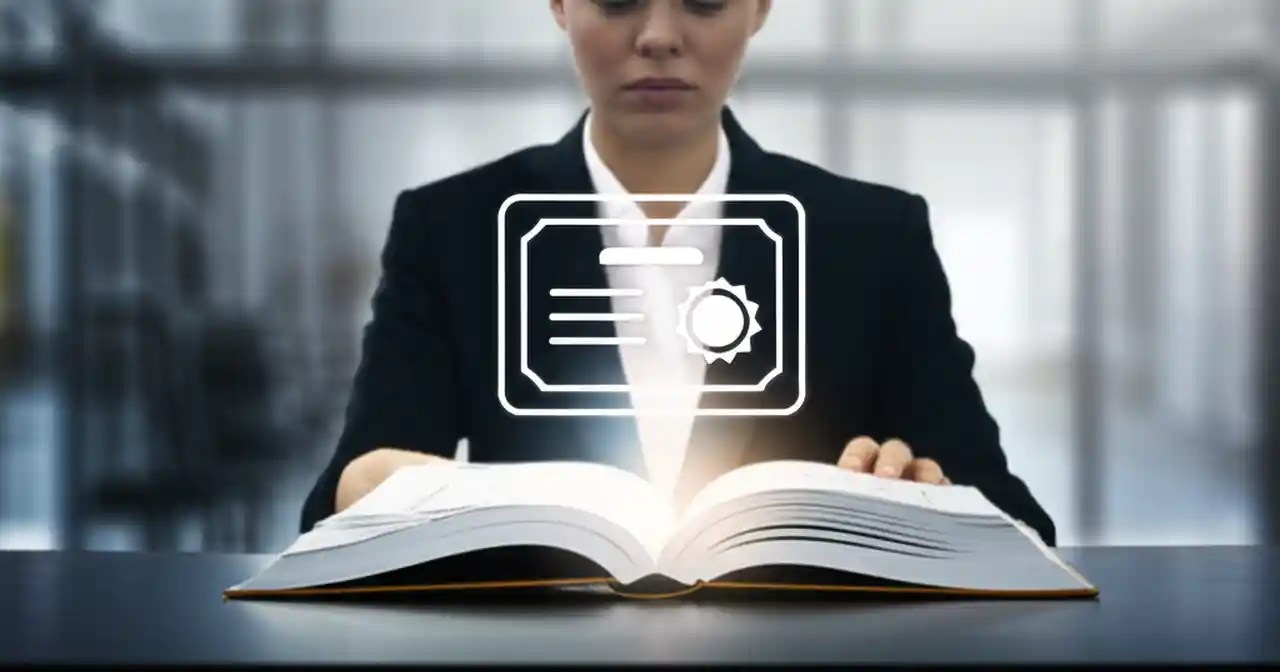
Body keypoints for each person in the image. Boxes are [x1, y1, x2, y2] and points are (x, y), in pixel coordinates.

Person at [300, 0, 1058, 546]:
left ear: (760, 7)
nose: (659, 36)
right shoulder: (454, 230)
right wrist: (368, 487)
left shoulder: (872, 237)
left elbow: (1017, 523)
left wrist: (925, 494)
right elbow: (336, 508)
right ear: (559, 5)